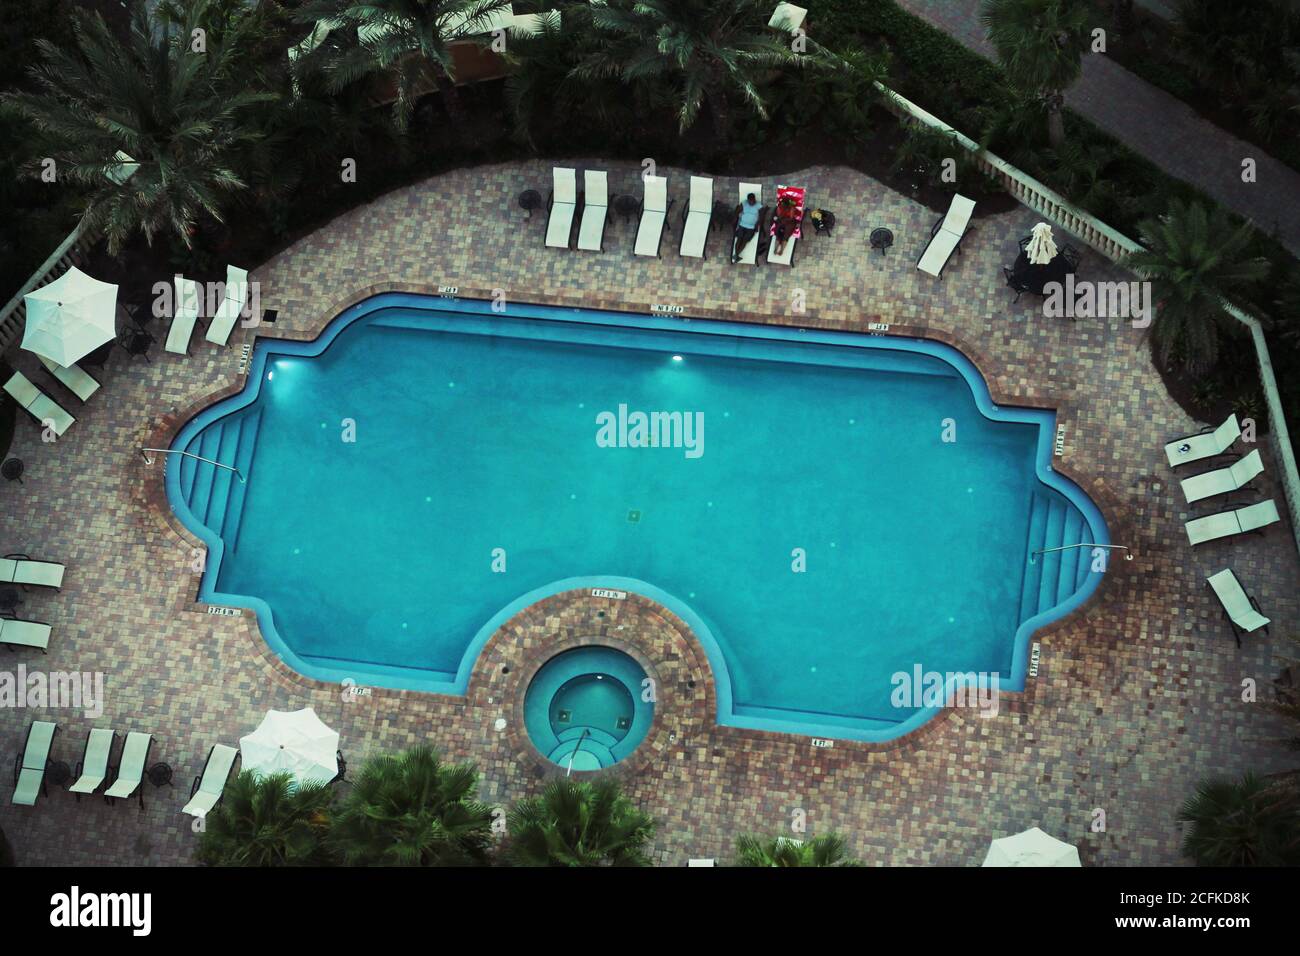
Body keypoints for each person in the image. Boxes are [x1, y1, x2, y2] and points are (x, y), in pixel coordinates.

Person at [732, 193, 761, 263]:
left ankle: (736, 255)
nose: (751, 203)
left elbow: (761, 217)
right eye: (750, 201)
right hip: (742, 224)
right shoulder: (744, 203)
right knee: (739, 239)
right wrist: (735, 218)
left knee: (744, 240)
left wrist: (757, 226)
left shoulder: (759, 206)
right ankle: (736, 256)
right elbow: (737, 211)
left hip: (751, 227)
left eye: (753, 201)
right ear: (748, 200)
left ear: (755, 199)